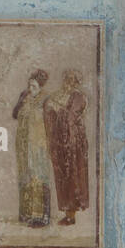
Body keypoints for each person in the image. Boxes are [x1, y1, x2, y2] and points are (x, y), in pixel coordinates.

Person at [42, 70, 90, 226]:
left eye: (71, 80)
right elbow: (51, 113)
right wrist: (50, 108)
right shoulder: (60, 95)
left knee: (72, 178)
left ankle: (71, 215)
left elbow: (70, 117)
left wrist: (56, 107)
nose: (67, 82)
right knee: (63, 177)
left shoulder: (78, 97)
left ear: (76, 82)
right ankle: (67, 213)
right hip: (61, 144)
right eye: (66, 79)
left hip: (74, 146)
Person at [13, 69, 53, 227]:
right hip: (23, 143)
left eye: (34, 86)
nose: (30, 88)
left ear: (41, 86)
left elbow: (51, 122)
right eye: (29, 85)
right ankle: (26, 213)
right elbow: (15, 114)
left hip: (39, 144)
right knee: (25, 176)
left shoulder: (47, 99)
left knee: (39, 176)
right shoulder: (25, 96)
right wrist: (21, 100)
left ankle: (41, 216)